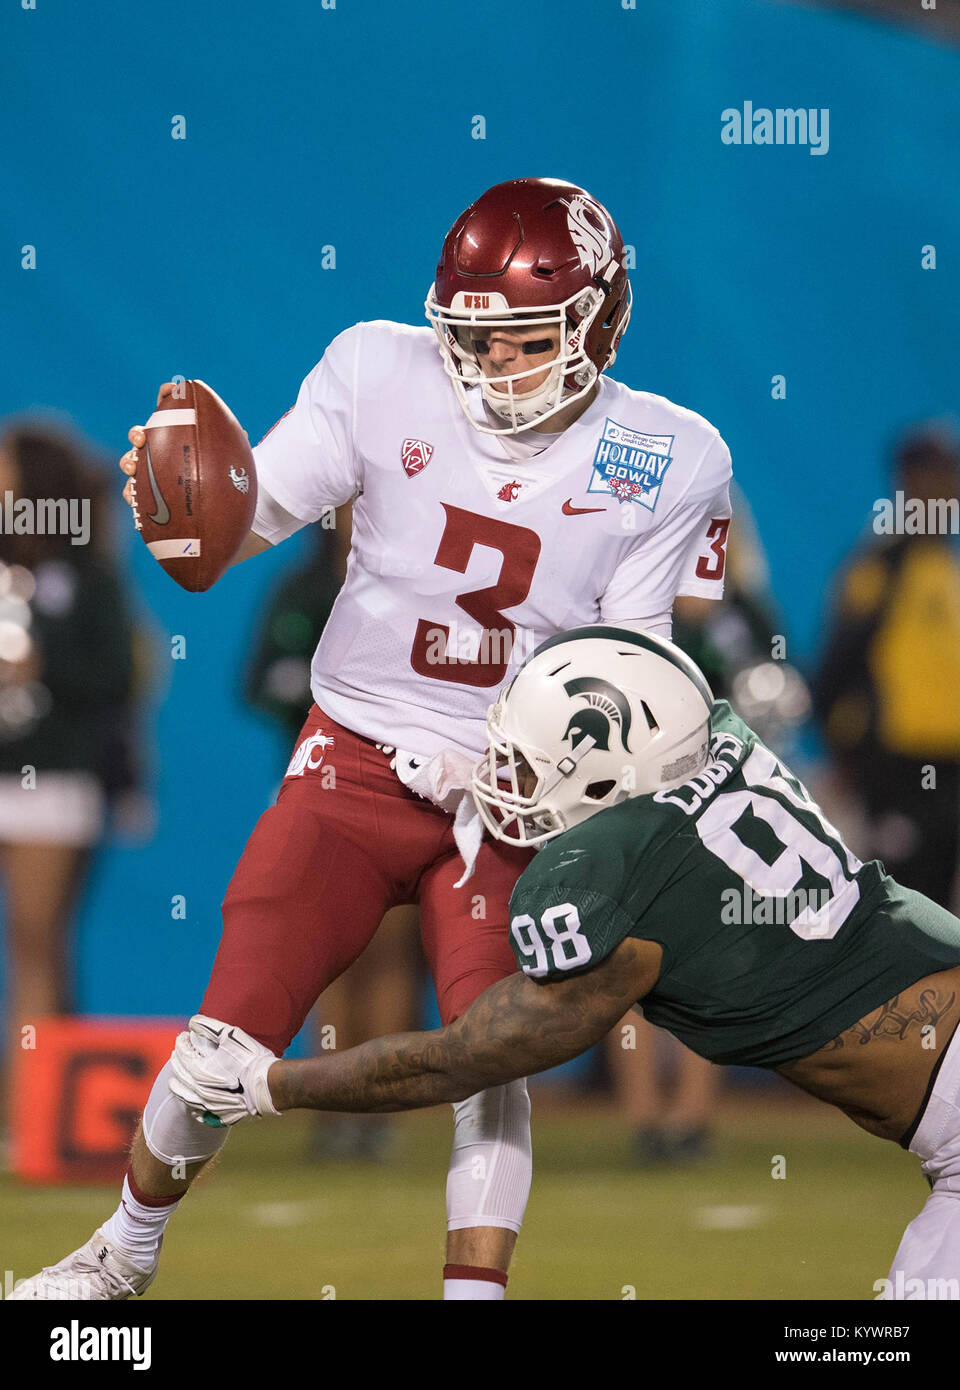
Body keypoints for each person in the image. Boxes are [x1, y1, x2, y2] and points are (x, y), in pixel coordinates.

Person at [11, 178, 733, 1301]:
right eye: (473, 339)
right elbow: (251, 517)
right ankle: (121, 1252)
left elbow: (626, 668)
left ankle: (473, 1293)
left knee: (492, 1057)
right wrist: (189, 504)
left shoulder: (670, 453)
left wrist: (529, 775)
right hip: (355, 753)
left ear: (599, 319)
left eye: (525, 338)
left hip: (517, 786)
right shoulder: (379, 370)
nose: (492, 366)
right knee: (224, 1033)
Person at [170, 627, 960, 1299]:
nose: (502, 778)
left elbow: (462, 1058)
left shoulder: (614, 882)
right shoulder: (721, 741)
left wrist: (271, 1085)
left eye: (525, 763)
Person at [0, 426, 136, 1127]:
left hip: (52, 783)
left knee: (36, 945)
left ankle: (31, 1117)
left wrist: (43, 665)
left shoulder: (85, 575)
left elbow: (117, 675)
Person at [814, 423, 960, 909]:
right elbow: (836, 669)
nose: (947, 488)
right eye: (934, 475)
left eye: (951, 474)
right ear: (906, 482)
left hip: (949, 771)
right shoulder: (880, 568)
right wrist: (847, 756)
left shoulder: (945, 567)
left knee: (942, 902)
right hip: (897, 768)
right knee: (905, 900)